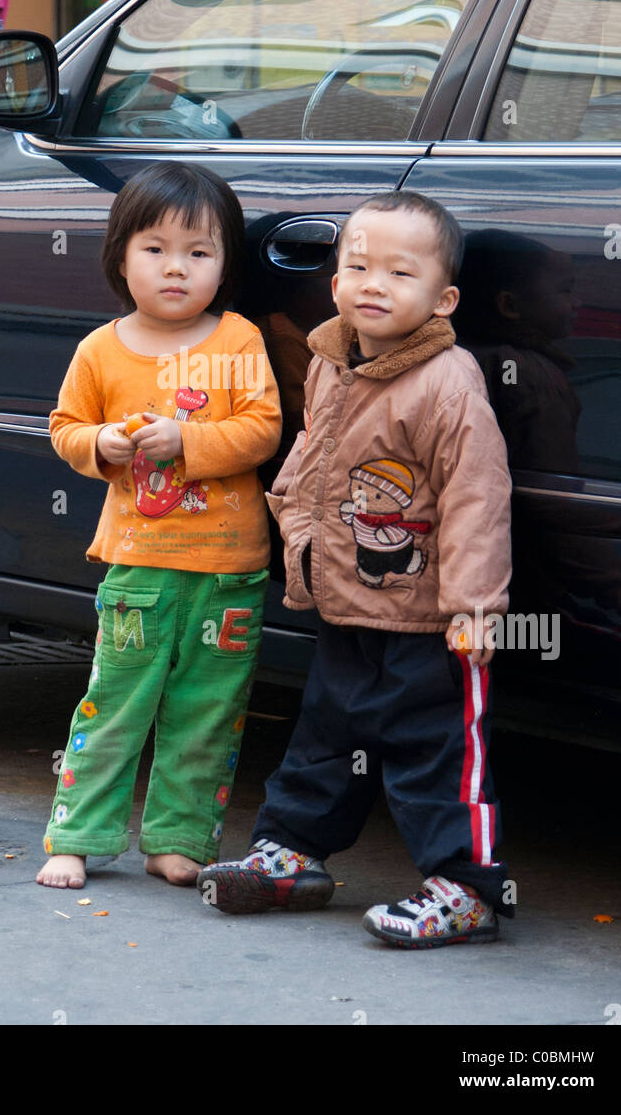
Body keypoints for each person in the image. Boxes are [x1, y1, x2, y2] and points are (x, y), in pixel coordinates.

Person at [198, 191, 515, 947]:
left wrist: (474, 606)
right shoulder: (331, 359)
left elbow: (479, 496)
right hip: (349, 600)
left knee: (434, 749)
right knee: (324, 736)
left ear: (442, 300)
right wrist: (295, 533)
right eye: (359, 266)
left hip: (430, 616)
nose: (374, 283)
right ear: (335, 281)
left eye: (399, 273)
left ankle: (468, 886)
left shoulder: (448, 382)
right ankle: (293, 852)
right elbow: (309, 457)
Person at [37, 163, 282, 890]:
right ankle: (78, 835)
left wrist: (191, 443)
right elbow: (64, 429)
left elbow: (264, 430)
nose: (176, 268)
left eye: (199, 253)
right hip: (139, 569)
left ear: (223, 265)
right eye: (155, 249)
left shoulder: (237, 342)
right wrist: (100, 444)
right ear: (120, 254)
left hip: (228, 567)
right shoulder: (101, 350)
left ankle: (178, 837)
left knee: (207, 710)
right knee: (114, 701)